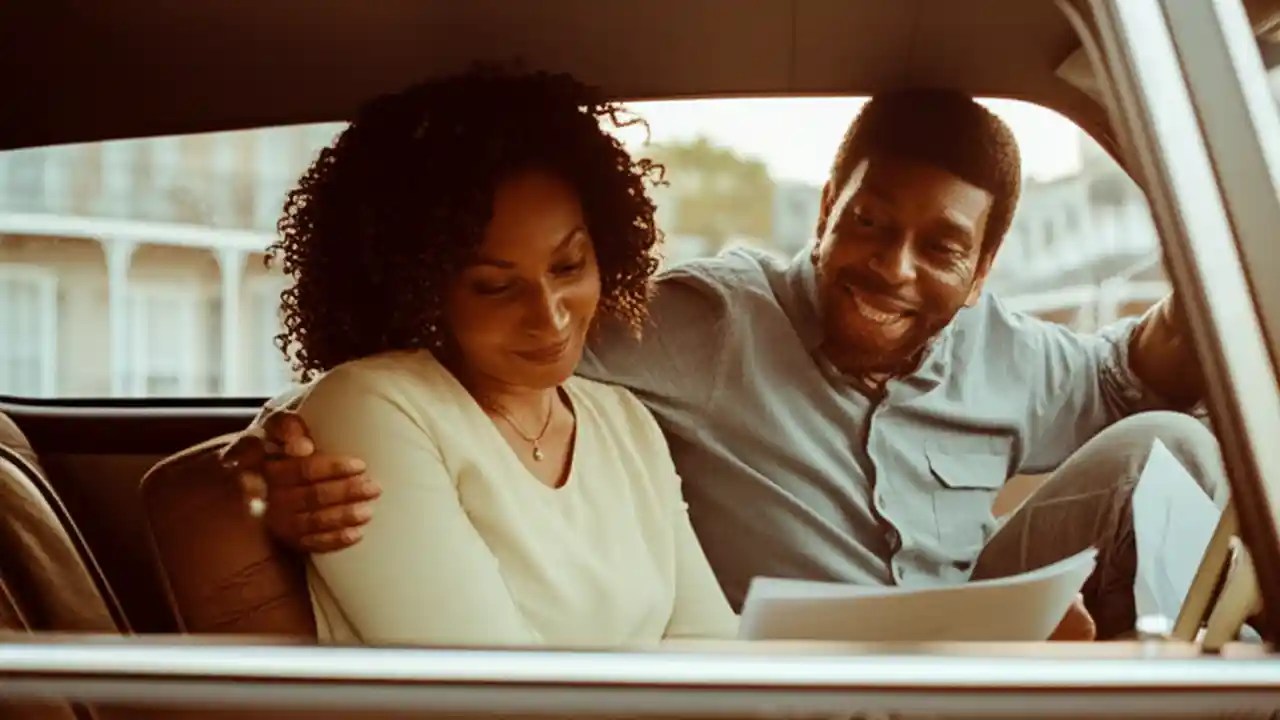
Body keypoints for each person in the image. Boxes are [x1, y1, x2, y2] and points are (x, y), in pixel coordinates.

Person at [226, 87, 1230, 641]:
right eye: (869, 224)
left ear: (981, 268)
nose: (892, 268)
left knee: (1167, 445)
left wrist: (1236, 256)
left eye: (940, 248)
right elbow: (422, 359)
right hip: (802, 681)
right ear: (826, 206)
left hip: (965, 662)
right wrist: (274, 450)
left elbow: (1135, 372)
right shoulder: (697, 322)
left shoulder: (1012, 352)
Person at [244, 68, 739, 648]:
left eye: (568, 266)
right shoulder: (375, 407)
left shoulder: (625, 421)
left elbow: (712, 647)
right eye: (496, 287)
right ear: (419, 289)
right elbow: (484, 683)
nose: (550, 315)